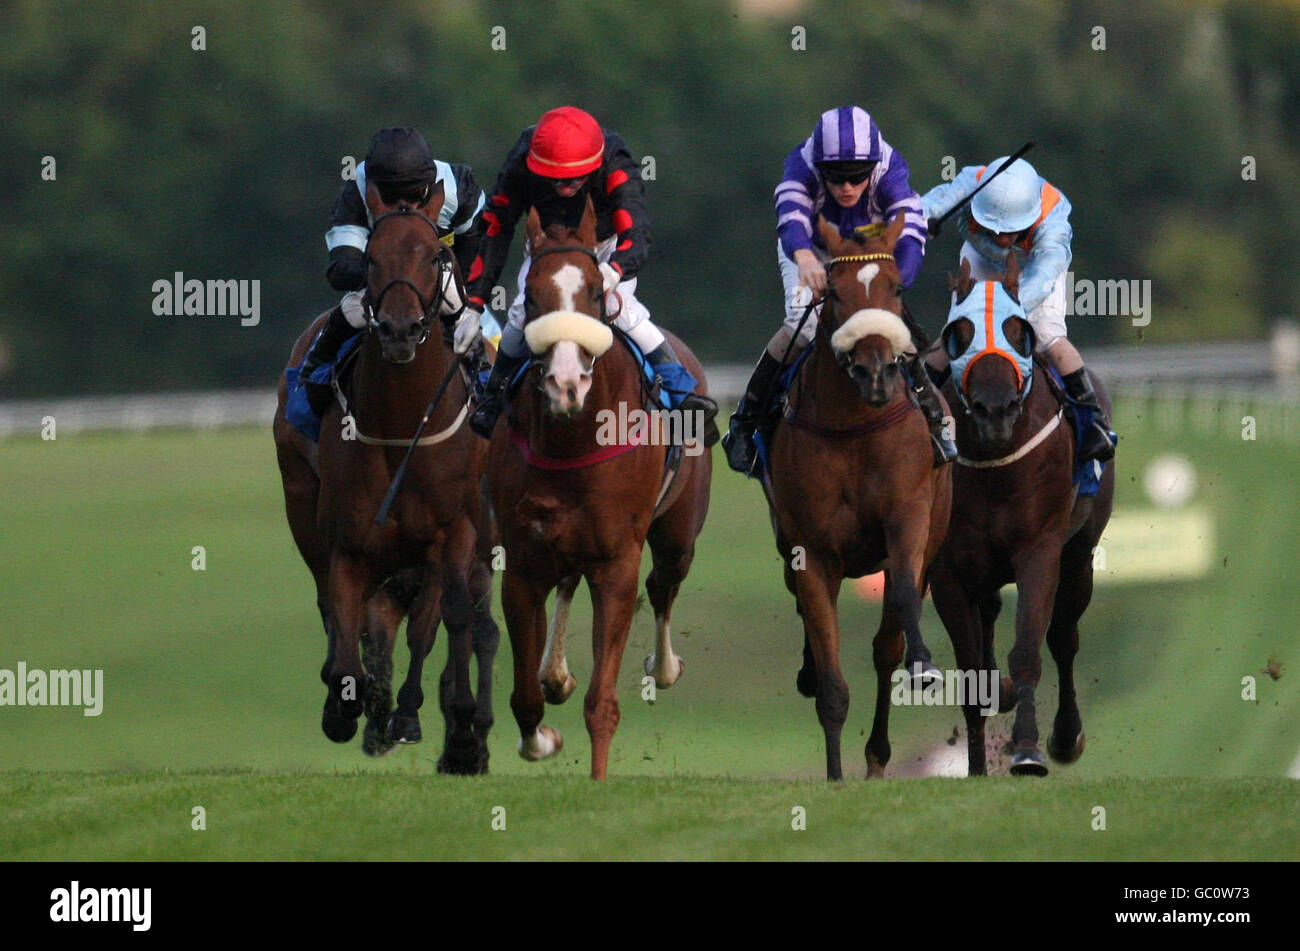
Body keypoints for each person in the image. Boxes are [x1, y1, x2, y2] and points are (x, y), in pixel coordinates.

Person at [722, 106, 955, 473]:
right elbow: (791, 216)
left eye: (857, 177)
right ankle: (745, 421)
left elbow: (910, 232)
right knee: (806, 323)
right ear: (820, 168)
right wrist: (804, 258)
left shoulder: (891, 167)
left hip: (870, 247)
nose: (847, 187)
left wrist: (893, 285)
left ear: (872, 167)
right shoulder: (801, 164)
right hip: (813, 248)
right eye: (836, 177)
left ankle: (933, 419)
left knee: (889, 327)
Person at [464, 106, 713, 439]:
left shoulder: (615, 160)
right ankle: (492, 396)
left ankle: (683, 395)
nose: (565, 186)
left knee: (619, 310)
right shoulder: (521, 160)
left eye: (574, 178)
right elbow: (496, 228)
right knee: (522, 312)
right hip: (546, 247)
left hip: (606, 247)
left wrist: (612, 272)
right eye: (555, 179)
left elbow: (636, 233)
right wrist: (475, 301)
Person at [921, 155, 1114, 462]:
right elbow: (928, 205)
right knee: (957, 333)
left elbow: (1043, 277)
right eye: (993, 228)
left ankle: (1093, 422)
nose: (1001, 238)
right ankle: (918, 409)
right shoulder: (975, 182)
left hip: (1034, 269)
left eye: (1011, 230)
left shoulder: (1052, 223)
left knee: (1047, 335)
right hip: (980, 258)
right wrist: (921, 222)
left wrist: (1005, 308)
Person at [296, 127, 486, 413]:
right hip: (379, 273)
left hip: (432, 268)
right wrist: (386, 275)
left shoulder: (459, 190)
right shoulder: (357, 193)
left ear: (428, 185)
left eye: (411, 196)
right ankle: (316, 370)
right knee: (353, 310)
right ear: (373, 190)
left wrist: (443, 276)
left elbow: (476, 245)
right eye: (390, 197)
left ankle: (484, 380)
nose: (402, 207)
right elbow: (340, 269)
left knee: (459, 308)